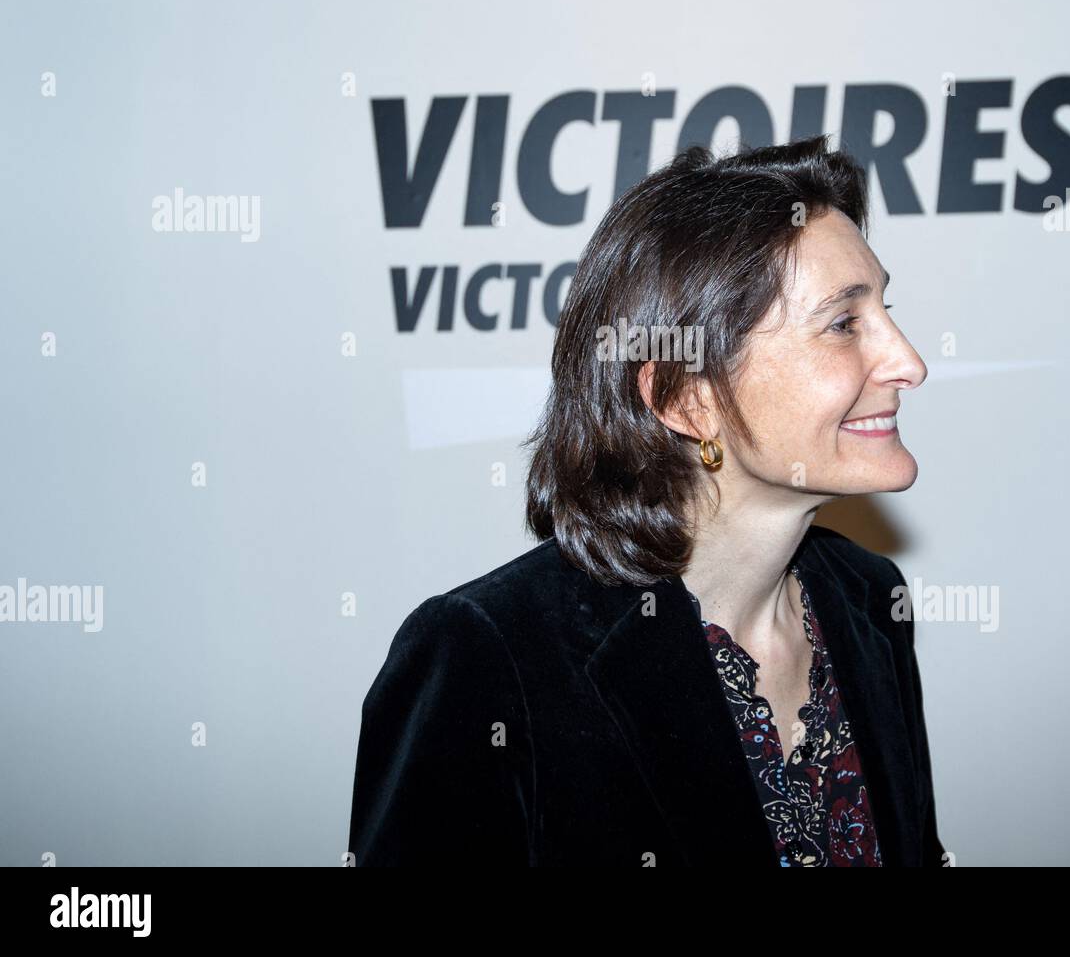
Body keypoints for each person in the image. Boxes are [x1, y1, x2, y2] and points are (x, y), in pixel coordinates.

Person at [347, 134, 945, 867]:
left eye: (885, 309)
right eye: (843, 324)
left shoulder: (868, 599)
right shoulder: (488, 657)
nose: (909, 361)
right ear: (686, 398)